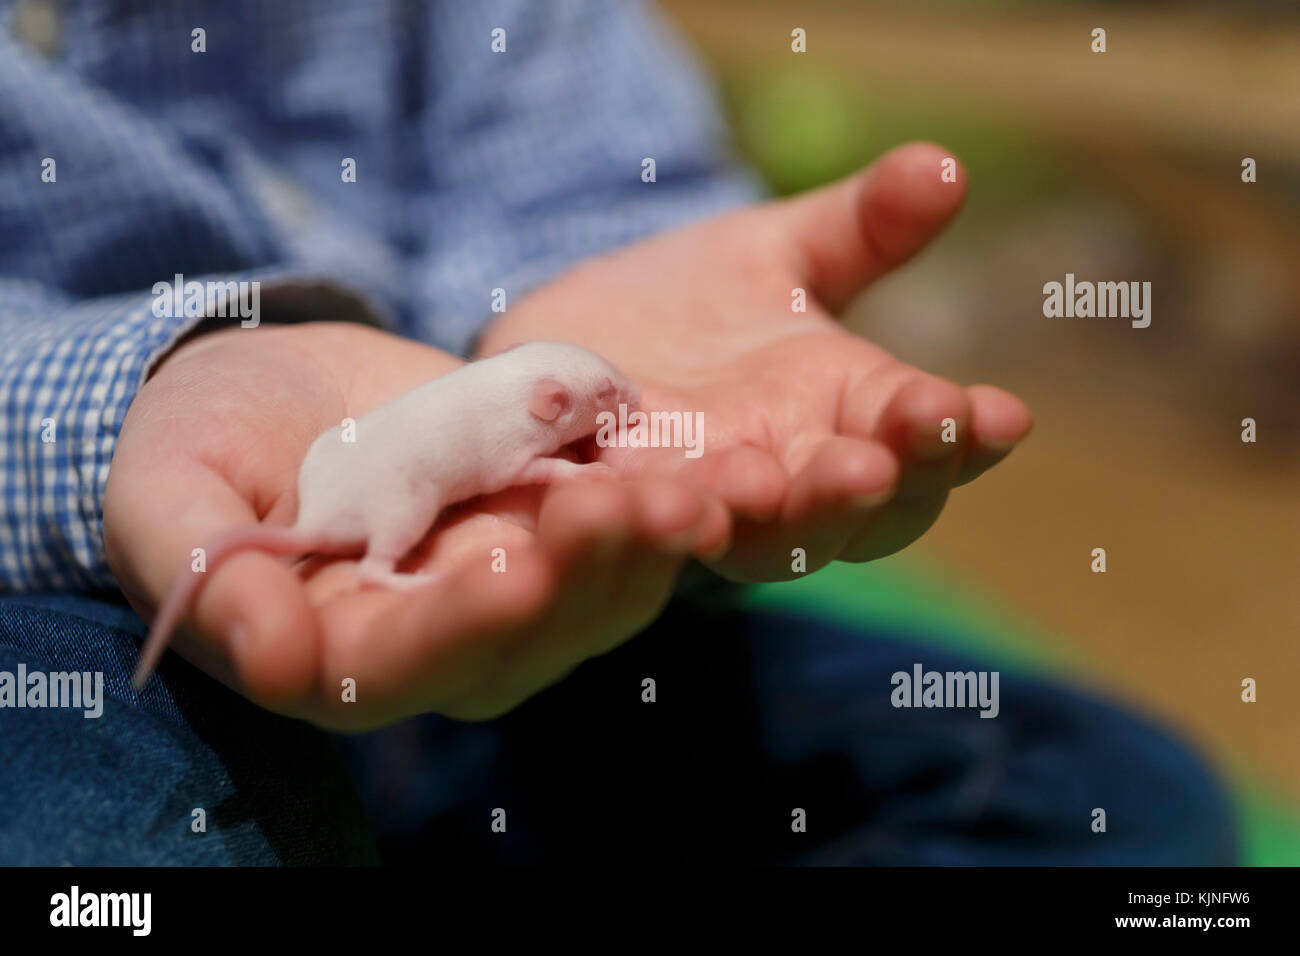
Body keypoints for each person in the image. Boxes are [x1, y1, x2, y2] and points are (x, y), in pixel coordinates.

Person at [0, 0, 1236, 864]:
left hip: (508, 673)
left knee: (1118, 804)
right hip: (64, 622)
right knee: (108, 849)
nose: (603, 413)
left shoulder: (529, 397)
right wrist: (155, 397)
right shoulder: (525, 428)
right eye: (588, 407)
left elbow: (577, 183)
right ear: (549, 411)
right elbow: (518, 450)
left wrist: (624, 269)